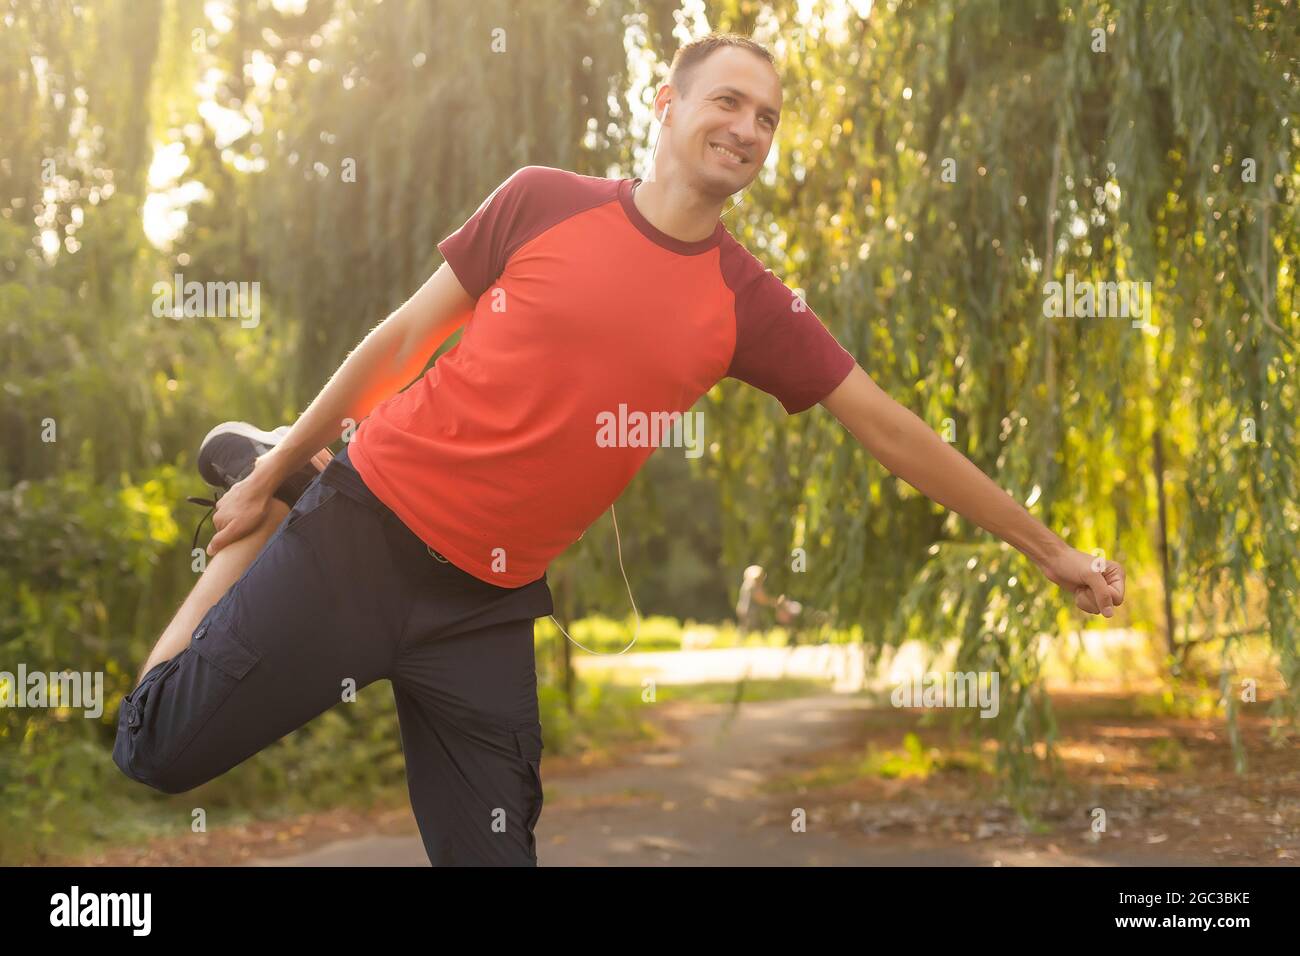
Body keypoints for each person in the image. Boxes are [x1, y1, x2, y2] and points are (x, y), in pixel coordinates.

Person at [112, 32, 1125, 867]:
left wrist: (1050, 551)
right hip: (362, 532)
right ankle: (268, 494)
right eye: (728, 102)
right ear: (667, 104)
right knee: (154, 750)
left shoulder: (749, 304)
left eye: (767, 118)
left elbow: (893, 428)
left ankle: (283, 475)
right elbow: (400, 341)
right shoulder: (544, 199)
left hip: (485, 605)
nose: (747, 129)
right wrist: (285, 460)